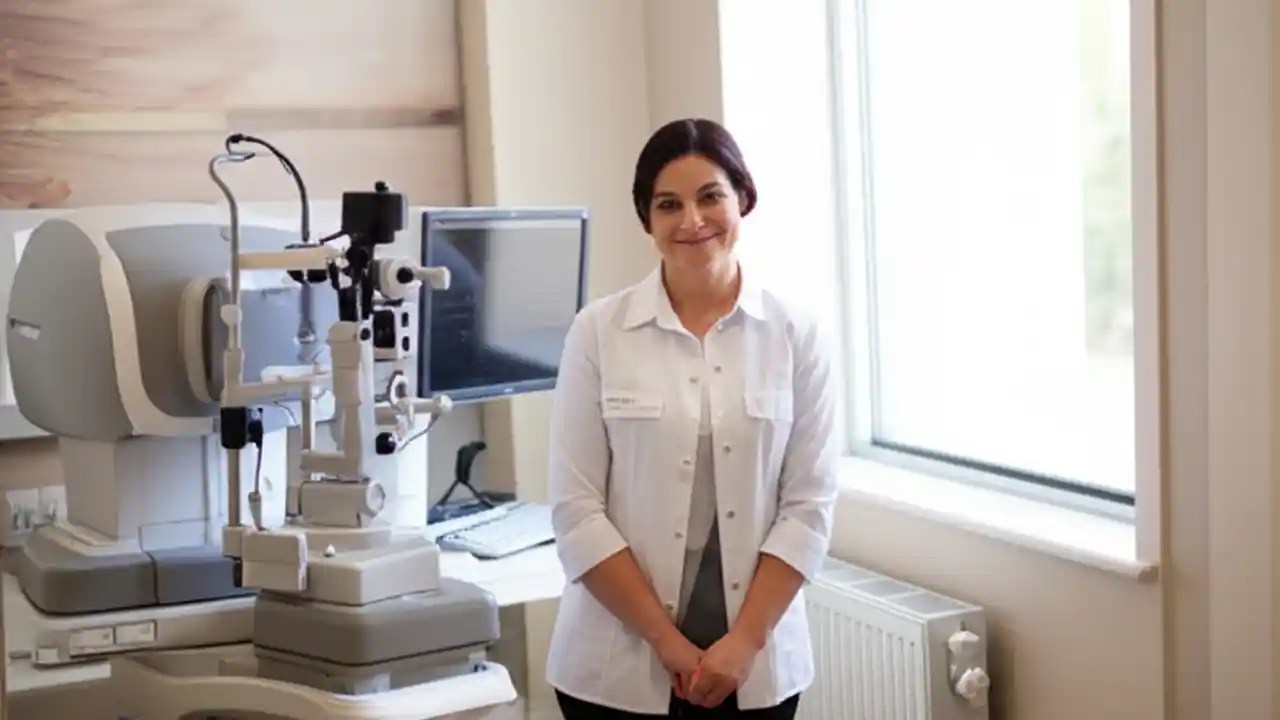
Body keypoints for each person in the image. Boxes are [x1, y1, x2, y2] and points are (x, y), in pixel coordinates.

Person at [544, 118, 840, 719]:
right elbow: (577, 512)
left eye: (711, 197)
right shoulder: (599, 332)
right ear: (647, 220)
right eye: (669, 204)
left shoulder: (795, 334)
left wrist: (745, 642)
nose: (692, 221)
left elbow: (809, 504)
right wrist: (668, 643)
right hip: (615, 669)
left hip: (755, 670)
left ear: (743, 200)